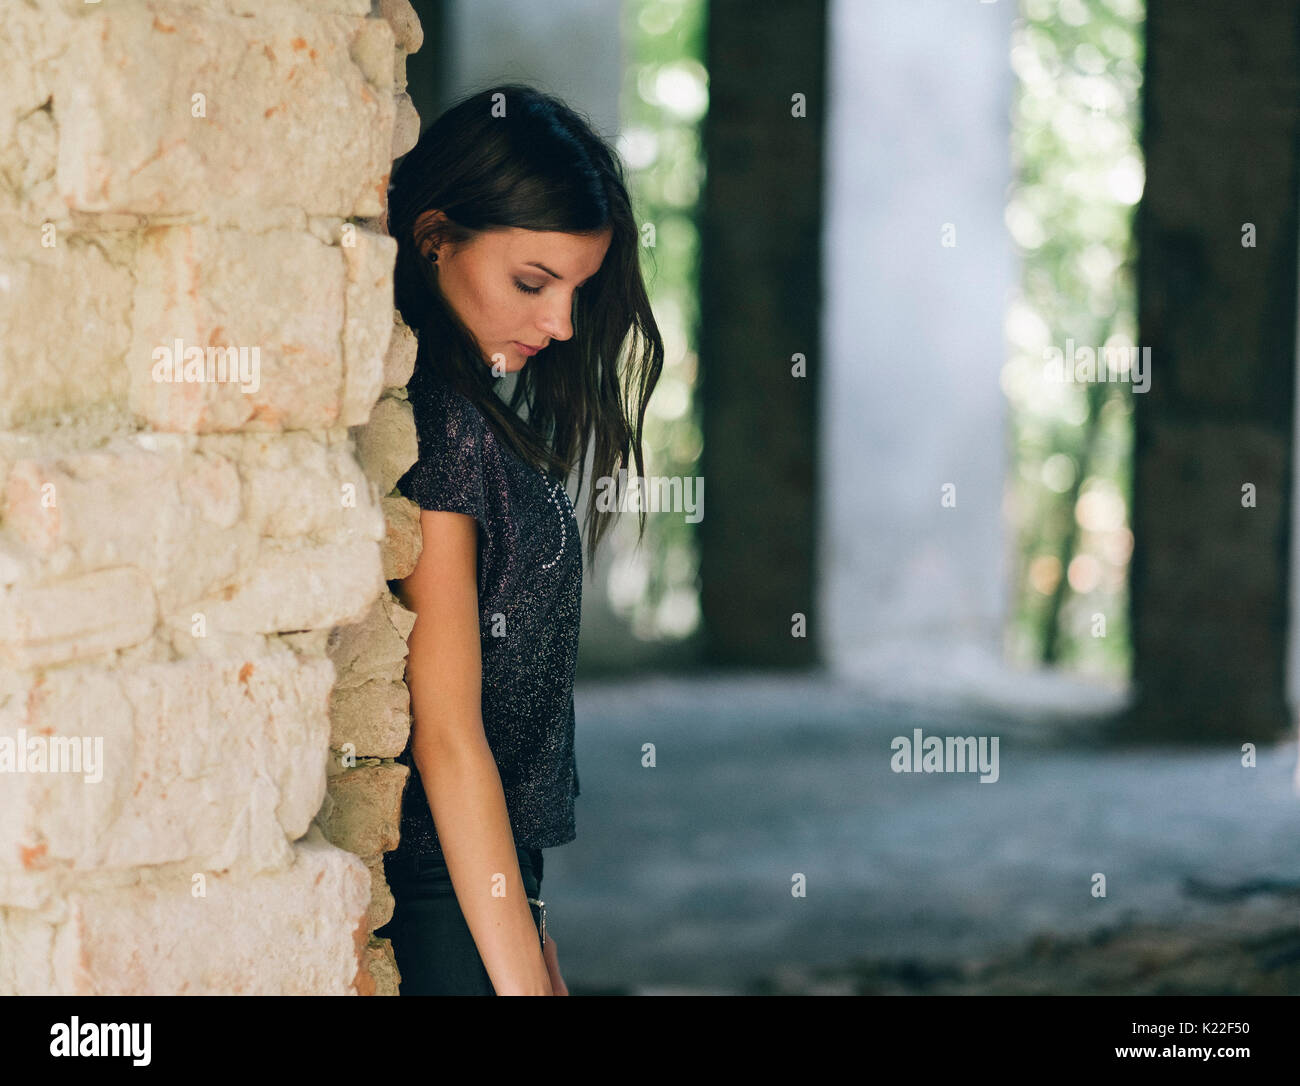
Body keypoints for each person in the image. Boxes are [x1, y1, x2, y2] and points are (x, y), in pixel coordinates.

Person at [374, 84, 664, 995]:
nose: (562, 323)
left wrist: (534, 938)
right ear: (434, 239)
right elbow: (449, 735)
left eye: (576, 290)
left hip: (487, 890)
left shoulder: (470, 422)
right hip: (445, 897)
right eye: (533, 284)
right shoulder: (446, 432)